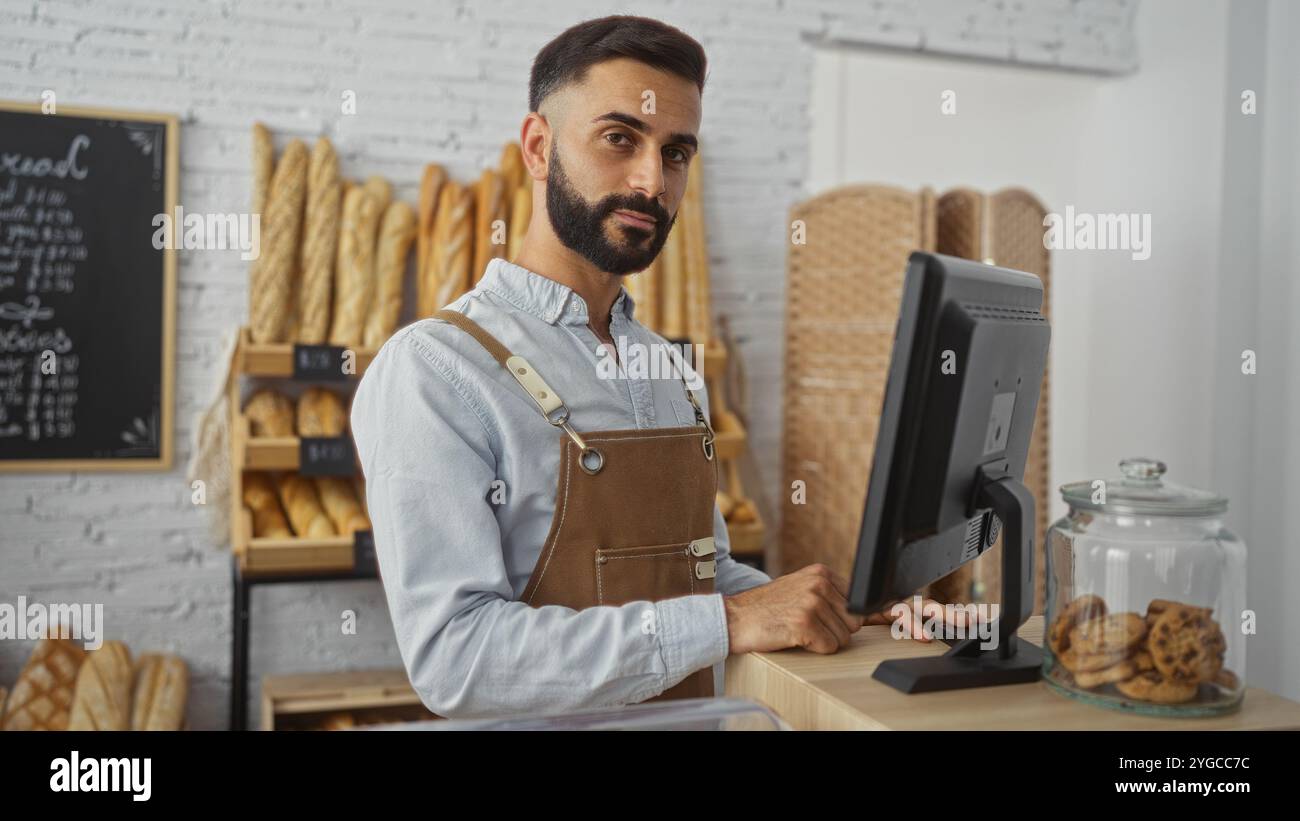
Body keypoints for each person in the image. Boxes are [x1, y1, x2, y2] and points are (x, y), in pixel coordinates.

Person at [352, 14, 951, 720]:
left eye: (675, 154)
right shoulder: (435, 370)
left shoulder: (669, 368)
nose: (651, 181)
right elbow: (458, 655)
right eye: (619, 139)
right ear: (539, 147)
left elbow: (698, 577)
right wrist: (730, 621)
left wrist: (830, 609)